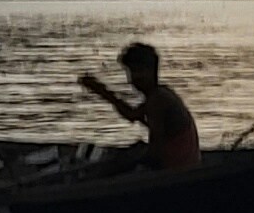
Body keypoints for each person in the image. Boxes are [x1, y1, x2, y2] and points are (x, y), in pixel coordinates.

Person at [79, 41, 203, 170]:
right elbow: (132, 115)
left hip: (177, 166)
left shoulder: (158, 100)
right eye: (131, 72)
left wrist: (131, 165)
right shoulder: (157, 95)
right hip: (180, 161)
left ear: (151, 71)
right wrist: (101, 91)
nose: (133, 79)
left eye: (139, 71)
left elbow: (155, 148)